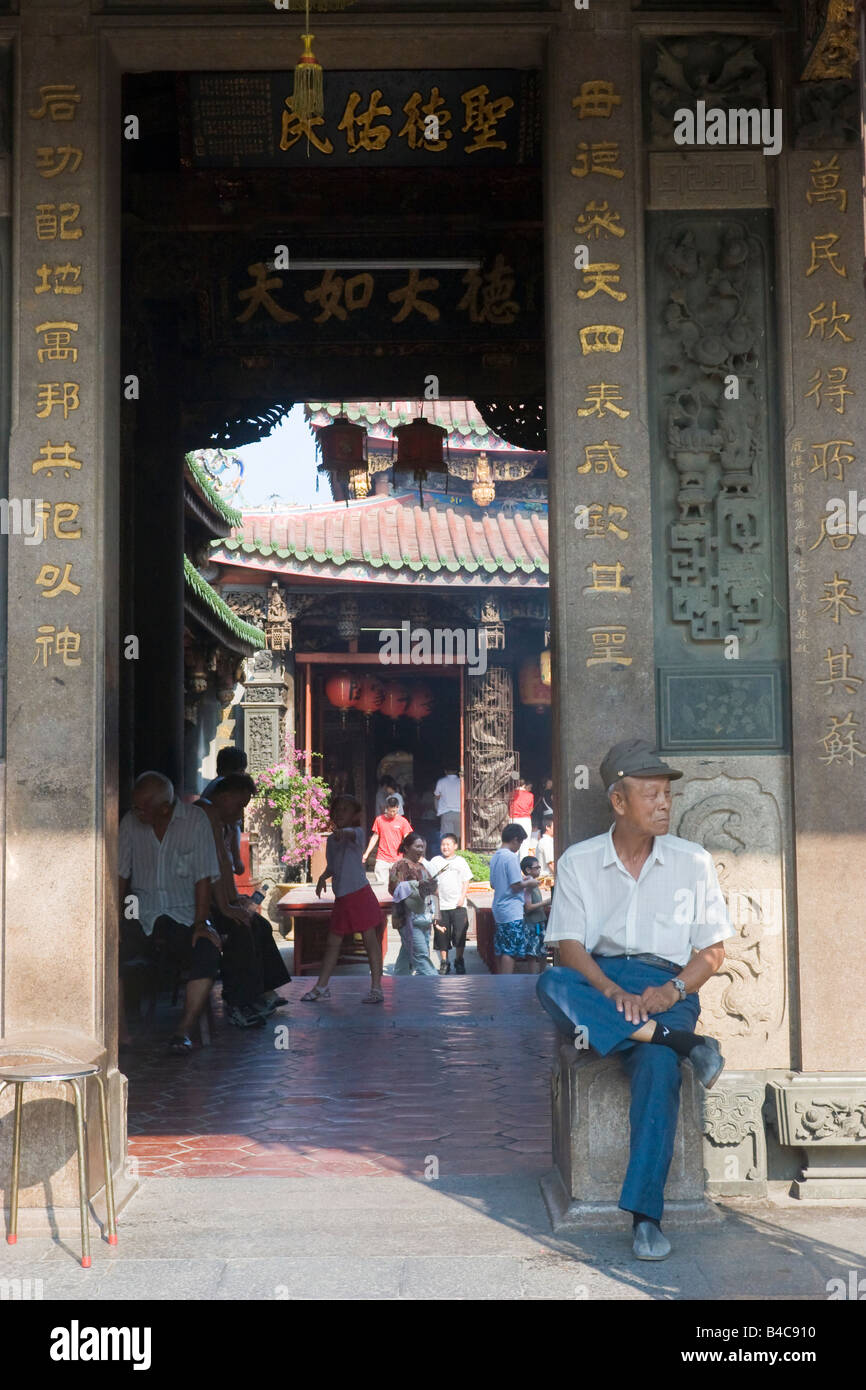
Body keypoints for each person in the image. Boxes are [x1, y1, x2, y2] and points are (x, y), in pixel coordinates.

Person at [536, 738, 733, 1262]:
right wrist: (611, 990)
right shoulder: (580, 862)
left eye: (668, 794)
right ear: (618, 802)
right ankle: (686, 1044)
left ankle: (647, 1217)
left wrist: (671, 991)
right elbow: (570, 946)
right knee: (551, 984)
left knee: (656, 1066)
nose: (665, 803)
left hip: (670, 984)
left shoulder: (692, 861)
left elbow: (712, 950)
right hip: (601, 981)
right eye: (652, 794)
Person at [118, 771, 222, 1054]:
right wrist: (114, 920)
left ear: (165, 807)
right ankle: (122, 1035)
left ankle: (183, 1031)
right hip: (139, 912)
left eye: (143, 807)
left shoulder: (195, 821)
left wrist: (201, 923)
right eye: (135, 805)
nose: (136, 812)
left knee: (206, 952)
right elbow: (120, 876)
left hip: (184, 915)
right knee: (110, 951)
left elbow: (203, 877)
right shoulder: (130, 823)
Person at [197, 774, 291, 1027]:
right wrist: (226, 907)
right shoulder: (204, 815)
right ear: (224, 796)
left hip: (216, 899)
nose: (241, 812)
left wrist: (233, 900)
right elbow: (211, 865)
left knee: (258, 923)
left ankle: (262, 992)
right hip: (196, 905)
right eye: (239, 804)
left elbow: (226, 865)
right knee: (240, 929)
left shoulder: (219, 820)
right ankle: (239, 1003)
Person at [302, 795, 385, 1005]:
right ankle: (322, 986)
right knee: (332, 943)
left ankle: (376, 987)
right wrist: (322, 877)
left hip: (359, 894)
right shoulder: (331, 840)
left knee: (370, 941)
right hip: (342, 897)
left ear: (355, 815)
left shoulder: (357, 833)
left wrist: (342, 832)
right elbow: (333, 865)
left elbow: (347, 834)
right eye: (337, 809)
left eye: (345, 810)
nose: (340, 813)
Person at [389, 833, 440, 976]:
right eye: (417, 846)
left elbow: (434, 891)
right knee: (421, 956)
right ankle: (436, 986)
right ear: (406, 847)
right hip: (407, 918)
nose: (420, 850)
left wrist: (436, 914)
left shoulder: (423, 867)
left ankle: (399, 983)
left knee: (407, 954)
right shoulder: (400, 865)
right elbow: (394, 889)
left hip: (423, 917)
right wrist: (417, 885)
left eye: (422, 847)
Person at [490, 823, 537, 975]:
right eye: (520, 842)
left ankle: (501, 979)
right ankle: (507, 982)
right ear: (515, 839)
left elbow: (493, 883)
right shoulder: (510, 857)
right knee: (509, 950)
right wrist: (530, 882)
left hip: (499, 907)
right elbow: (516, 885)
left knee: (502, 946)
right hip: (511, 908)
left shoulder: (496, 856)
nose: (519, 846)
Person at [428, 833, 473, 974]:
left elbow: (466, 880)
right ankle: (444, 962)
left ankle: (459, 960)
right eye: (443, 844)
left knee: (460, 935)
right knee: (441, 936)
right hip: (440, 906)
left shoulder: (461, 861)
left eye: (448, 844)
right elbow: (430, 881)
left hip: (458, 905)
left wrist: (462, 897)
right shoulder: (435, 861)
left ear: (455, 846)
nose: (445, 847)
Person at [202, 746, 248, 875]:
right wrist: (237, 859)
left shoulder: (213, 785)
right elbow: (232, 827)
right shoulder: (227, 789)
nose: (238, 813)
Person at [364, 795, 413, 888]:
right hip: (382, 859)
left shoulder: (403, 821)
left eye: (394, 811)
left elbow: (408, 839)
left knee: (399, 887)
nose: (392, 813)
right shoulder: (379, 820)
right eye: (390, 811)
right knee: (381, 887)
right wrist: (366, 854)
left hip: (398, 859)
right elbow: (375, 837)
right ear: (386, 808)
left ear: (398, 808)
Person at [519, 854, 549, 975]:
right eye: (536, 867)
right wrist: (544, 903)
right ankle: (533, 977)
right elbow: (528, 907)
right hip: (532, 923)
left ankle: (542, 974)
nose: (539, 870)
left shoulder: (533, 883)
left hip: (539, 921)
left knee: (542, 950)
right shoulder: (528, 884)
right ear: (528, 870)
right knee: (533, 952)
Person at [433, 767, 462, 841]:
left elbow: (436, 796)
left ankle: (450, 852)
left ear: (445, 771)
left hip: (446, 812)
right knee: (458, 836)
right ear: (456, 771)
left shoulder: (441, 781)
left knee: (448, 836)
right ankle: (458, 850)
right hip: (460, 812)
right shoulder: (461, 781)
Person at [536, 813, 555, 881]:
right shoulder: (546, 842)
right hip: (547, 881)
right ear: (547, 827)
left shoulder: (547, 841)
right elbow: (551, 864)